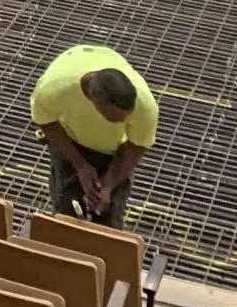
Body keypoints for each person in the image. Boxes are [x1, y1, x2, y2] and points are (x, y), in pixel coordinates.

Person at [31, 43, 156, 226]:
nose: (121, 122)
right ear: (92, 98)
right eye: (113, 119)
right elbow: (46, 121)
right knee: (67, 208)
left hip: (116, 149)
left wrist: (109, 184)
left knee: (110, 216)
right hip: (71, 135)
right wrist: (80, 165)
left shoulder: (145, 107)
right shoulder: (54, 88)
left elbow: (137, 145)